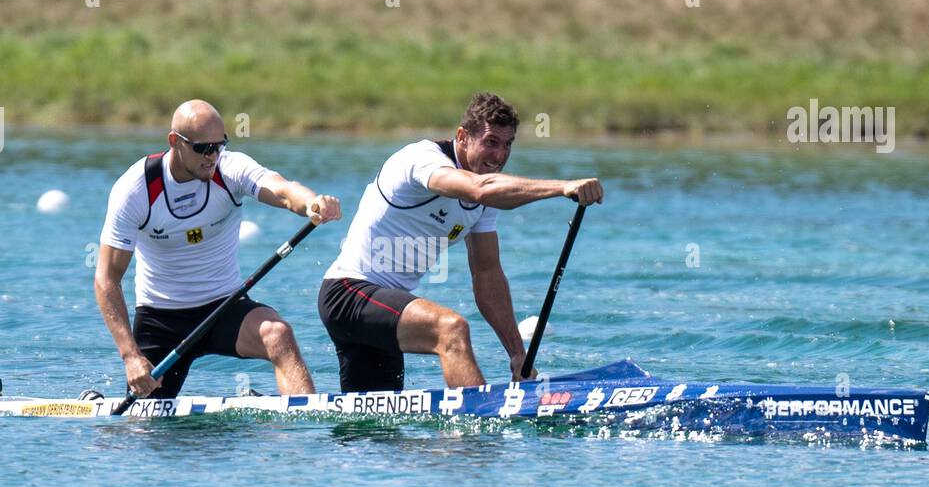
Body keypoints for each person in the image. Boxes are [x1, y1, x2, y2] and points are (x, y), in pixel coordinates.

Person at [318, 92, 602, 392]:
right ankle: (480, 426)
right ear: (463, 136)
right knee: (450, 329)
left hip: (384, 309)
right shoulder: (421, 160)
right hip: (347, 294)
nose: (499, 156)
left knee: (374, 429)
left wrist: (518, 354)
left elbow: (487, 275)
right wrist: (563, 187)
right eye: (491, 142)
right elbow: (479, 190)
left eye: (508, 145)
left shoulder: (486, 197)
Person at [96, 100, 341, 398]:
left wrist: (312, 203)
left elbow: (282, 190)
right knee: (146, 428)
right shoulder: (137, 189)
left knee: (278, 335)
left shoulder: (229, 168)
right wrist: (130, 357)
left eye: (219, 145)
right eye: (202, 148)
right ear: (175, 142)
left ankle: (303, 422)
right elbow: (107, 279)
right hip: (161, 319)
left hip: (225, 306)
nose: (212, 156)